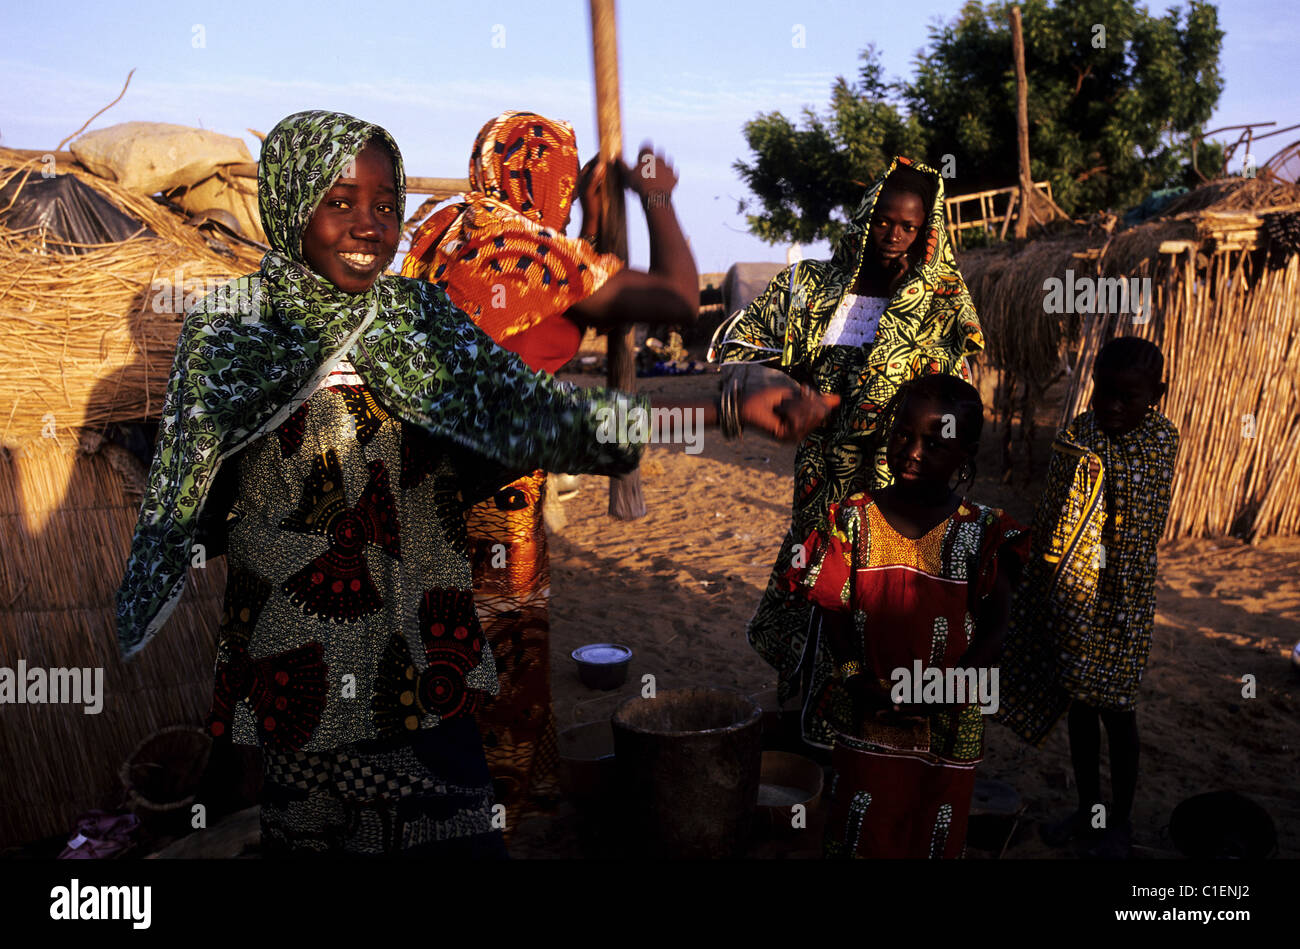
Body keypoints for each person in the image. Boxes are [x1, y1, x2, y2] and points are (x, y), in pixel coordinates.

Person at [115, 110, 828, 857]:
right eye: (339, 201)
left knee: (454, 825)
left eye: (385, 204)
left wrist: (722, 407)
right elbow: (193, 498)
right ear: (292, 201)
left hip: (425, 659)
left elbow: (546, 416)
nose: (369, 224)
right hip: (303, 677)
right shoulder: (231, 333)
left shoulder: (418, 311)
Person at [399, 111, 697, 821]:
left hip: (412, 484)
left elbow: (559, 287)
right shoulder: (524, 250)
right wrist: (658, 196)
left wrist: (596, 219)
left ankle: (448, 794)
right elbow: (681, 298)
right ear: (549, 177)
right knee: (497, 658)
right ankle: (486, 809)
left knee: (432, 648)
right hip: (491, 490)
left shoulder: (437, 230)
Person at [709, 156, 985, 749]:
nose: (892, 234)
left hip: (894, 480)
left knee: (875, 600)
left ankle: (869, 730)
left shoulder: (935, 299)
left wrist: (832, 402)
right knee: (818, 586)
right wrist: (778, 387)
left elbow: (936, 394)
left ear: (926, 230)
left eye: (908, 226)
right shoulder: (813, 286)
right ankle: (812, 728)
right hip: (819, 477)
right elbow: (735, 344)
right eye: (884, 220)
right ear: (867, 217)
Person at [783, 375, 1027, 857]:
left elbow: (997, 624)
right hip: (867, 706)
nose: (912, 452)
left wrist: (949, 689)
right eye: (903, 435)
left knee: (932, 824)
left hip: (949, 717)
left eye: (935, 444)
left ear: (965, 454)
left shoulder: (985, 532)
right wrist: (854, 673)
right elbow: (834, 605)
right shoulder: (854, 518)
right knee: (863, 821)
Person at [995, 337, 1178, 860]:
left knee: (1118, 712)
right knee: (1079, 701)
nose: (1113, 406)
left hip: (1127, 600)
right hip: (1077, 593)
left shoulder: (1161, 441)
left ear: (1156, 395)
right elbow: (1058, 511)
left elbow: (1140, 521)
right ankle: (1088, 809)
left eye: (1129, 397)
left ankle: (1118, 821)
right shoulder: (1080, 434)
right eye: (1104, 392)